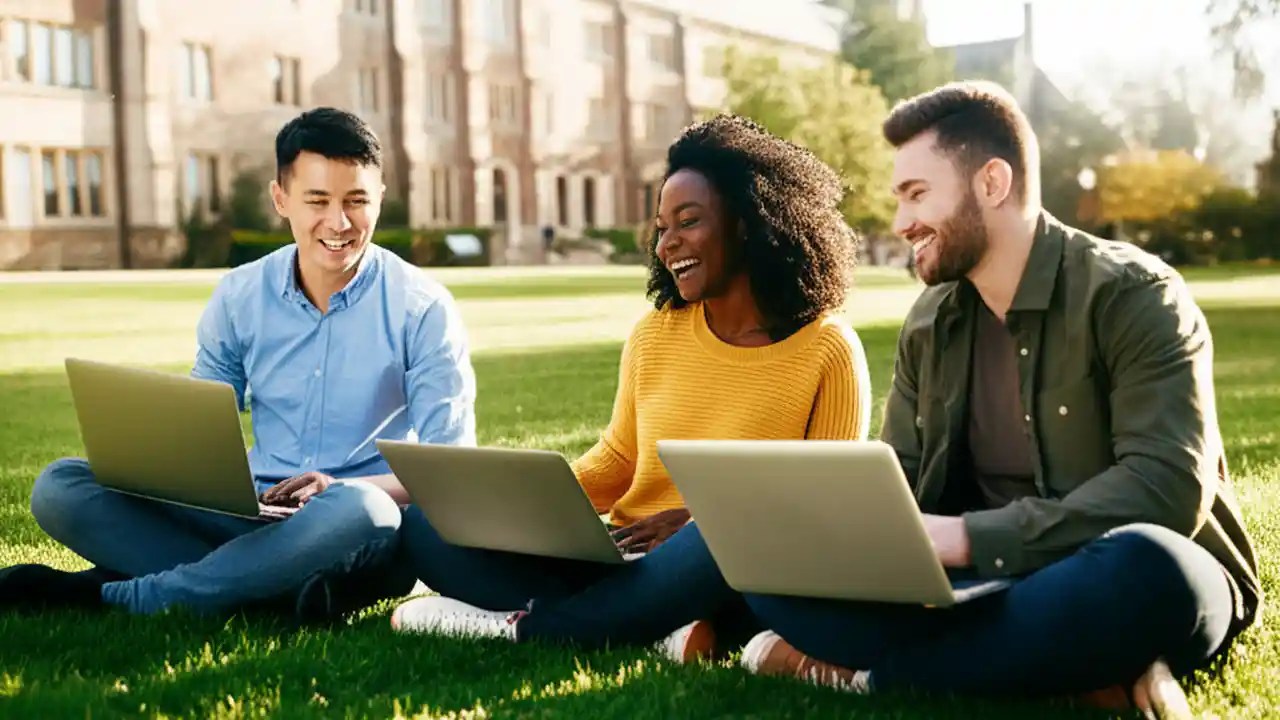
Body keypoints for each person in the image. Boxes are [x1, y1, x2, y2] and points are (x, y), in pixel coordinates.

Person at [735, 81, 1262, 716]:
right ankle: (1077, 672)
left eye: (917, 194)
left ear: (991, 183)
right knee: (777, 572)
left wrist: (963, 539)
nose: (902, 222)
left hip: (1102, 568)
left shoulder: (1136, 295)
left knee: (1152, 572)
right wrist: (840, 530)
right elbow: (900, 474)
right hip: (978, 588)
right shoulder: (929, 322)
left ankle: (865, 674)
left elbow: (1166, 486)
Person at [388, 114, 872, 659]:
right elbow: (618, 460)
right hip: (626, 553)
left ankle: (527, 628)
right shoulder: (656, 334)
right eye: (662, 229)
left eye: (688, 222)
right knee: (429, 526)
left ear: (746, 221)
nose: (668, 245)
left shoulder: (827, 347)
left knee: (719, 538)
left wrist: (698, 521)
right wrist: (524, 507)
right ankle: (655, 626)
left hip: (729, 566)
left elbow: (822, 508)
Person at [0, 107, 477, 621]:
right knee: (61, 486)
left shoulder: (422, 307)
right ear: (281, 199)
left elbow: (449, 469)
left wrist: (337, 487)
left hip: (349, 528)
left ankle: (131, 596)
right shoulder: (240, 294)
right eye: (317, 200)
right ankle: (269, 592)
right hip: (245, 510)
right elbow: (202, 423)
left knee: (366, 511)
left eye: (356, 201)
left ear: (379, 199)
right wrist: (165, 460)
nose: (339, 223)